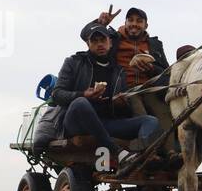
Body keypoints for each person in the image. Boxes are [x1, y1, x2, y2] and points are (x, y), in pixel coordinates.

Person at [52, 27, 159, 164]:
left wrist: (121, 104)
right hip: (75, 121)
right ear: (88, 44)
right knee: (81, 102)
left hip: (106, 122)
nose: (99, 44)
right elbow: (57, 94)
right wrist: (84, 94)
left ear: (110, 43)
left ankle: (142, 157)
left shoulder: (118, 71)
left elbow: (123, 111)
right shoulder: (74, 62)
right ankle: (117, 152)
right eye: (94, 41)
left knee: (150, 121)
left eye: (103, 40)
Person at [80, 6, 179, 153]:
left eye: (139, 21)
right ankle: (146, 154)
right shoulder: (113, 38)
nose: (134, 24)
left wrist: (151, 69)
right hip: (125, 88)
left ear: (146, 25)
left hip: (149, 88)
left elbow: (166, 72)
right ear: (125, 23)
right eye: (130, 20)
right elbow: (85, 35)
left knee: (163, 111)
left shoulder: (155, 44)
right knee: (140, 112)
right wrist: (101, 23)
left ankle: (171, 153)